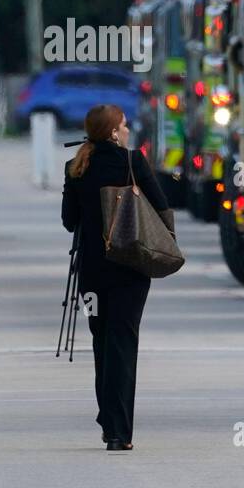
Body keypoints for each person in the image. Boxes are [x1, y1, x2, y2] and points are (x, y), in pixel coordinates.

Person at [61, 103, 171, 450]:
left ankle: (108, 419)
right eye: (123, 126)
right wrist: (168, 241)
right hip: (130, 269)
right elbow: (162, 205)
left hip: (91, 274)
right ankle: (118, 431)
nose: (127, 131)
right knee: (123, 343)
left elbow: (68, 221)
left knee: (102, 341)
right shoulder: (132, 162)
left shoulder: (75, 167)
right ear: (112, 132)